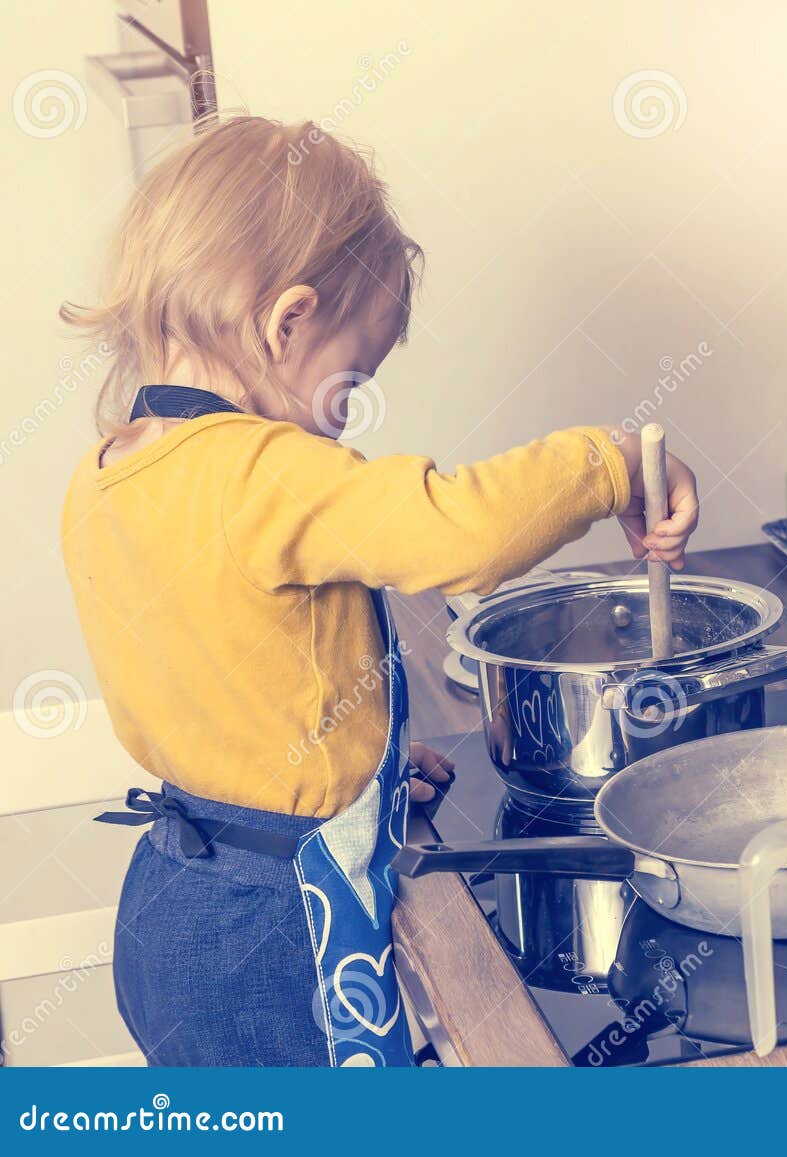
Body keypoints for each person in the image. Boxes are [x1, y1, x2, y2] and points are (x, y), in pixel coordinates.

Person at [59, 115, 698, 1066]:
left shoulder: (105, 474)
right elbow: (460, 530)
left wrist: (354, 776)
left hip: (175, 901)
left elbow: (222, 680)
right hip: (274, 928)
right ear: (287, 322)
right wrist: (613, 463)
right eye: (352, 382)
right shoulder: (261, 471)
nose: (350, 414)